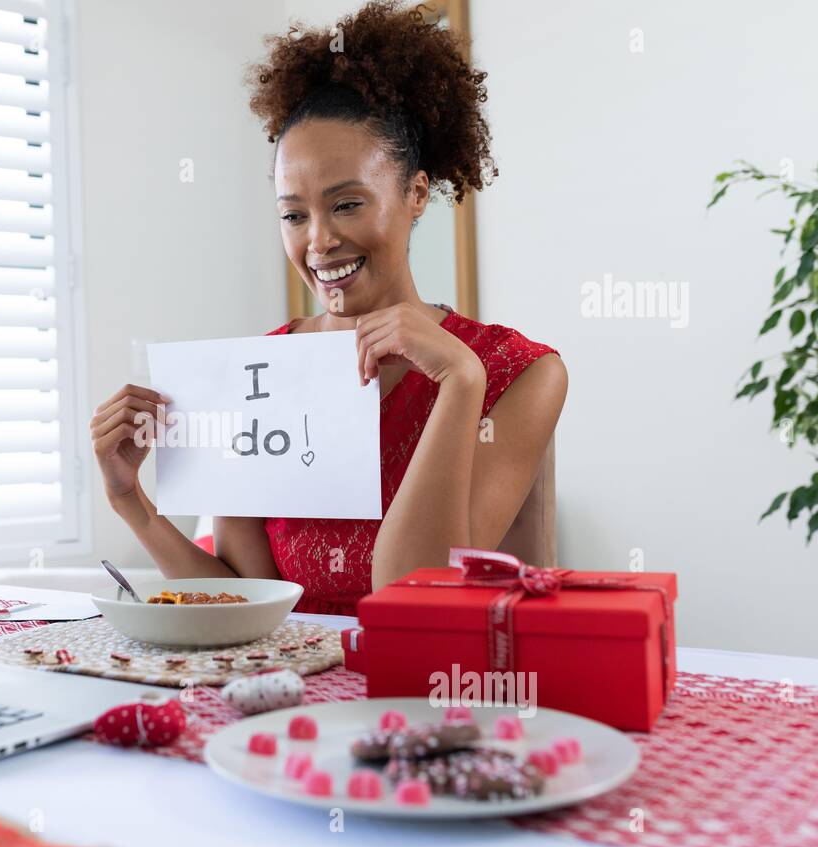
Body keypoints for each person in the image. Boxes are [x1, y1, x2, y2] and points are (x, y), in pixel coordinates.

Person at [90, 0, 567, 614]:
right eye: (293, 215)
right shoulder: (257, 373)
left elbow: (412, 601)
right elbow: (247, 602)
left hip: (441, 692)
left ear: (417, 193)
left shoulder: (517, 372)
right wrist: (131, 501)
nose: (317, 241)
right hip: (294, 691)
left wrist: (458, 380)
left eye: (346, 204)